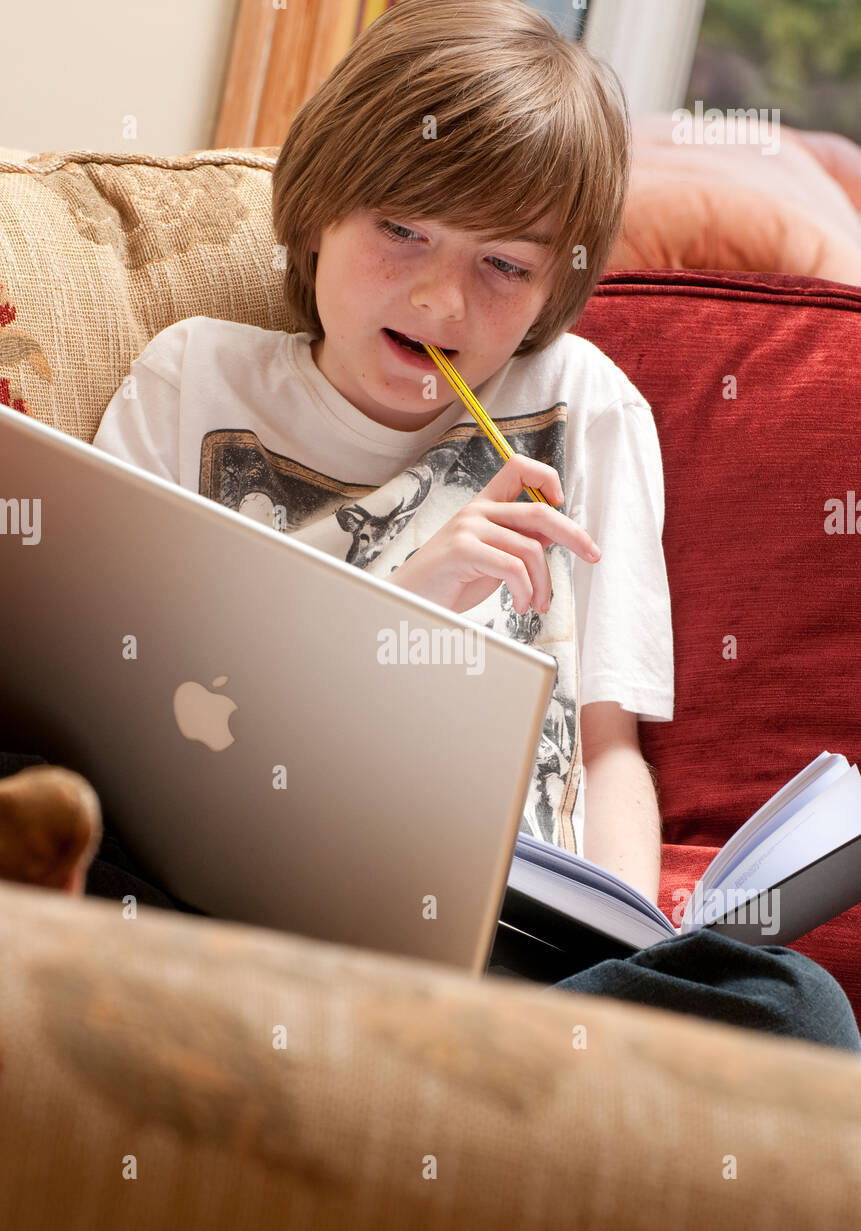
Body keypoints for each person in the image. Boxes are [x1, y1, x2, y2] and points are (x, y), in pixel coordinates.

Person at [45, 0, 854, 1054]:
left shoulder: (591, 407)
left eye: (504, 265)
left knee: (797, 1009)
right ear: (317, 206)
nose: (441, 300)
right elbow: (110, 705)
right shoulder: (192, 377)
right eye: (402, 230)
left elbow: (609, 755)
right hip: (238, 900)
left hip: (512, 953)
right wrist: (403, 600)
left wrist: (633, 946)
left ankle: (406, 1060)